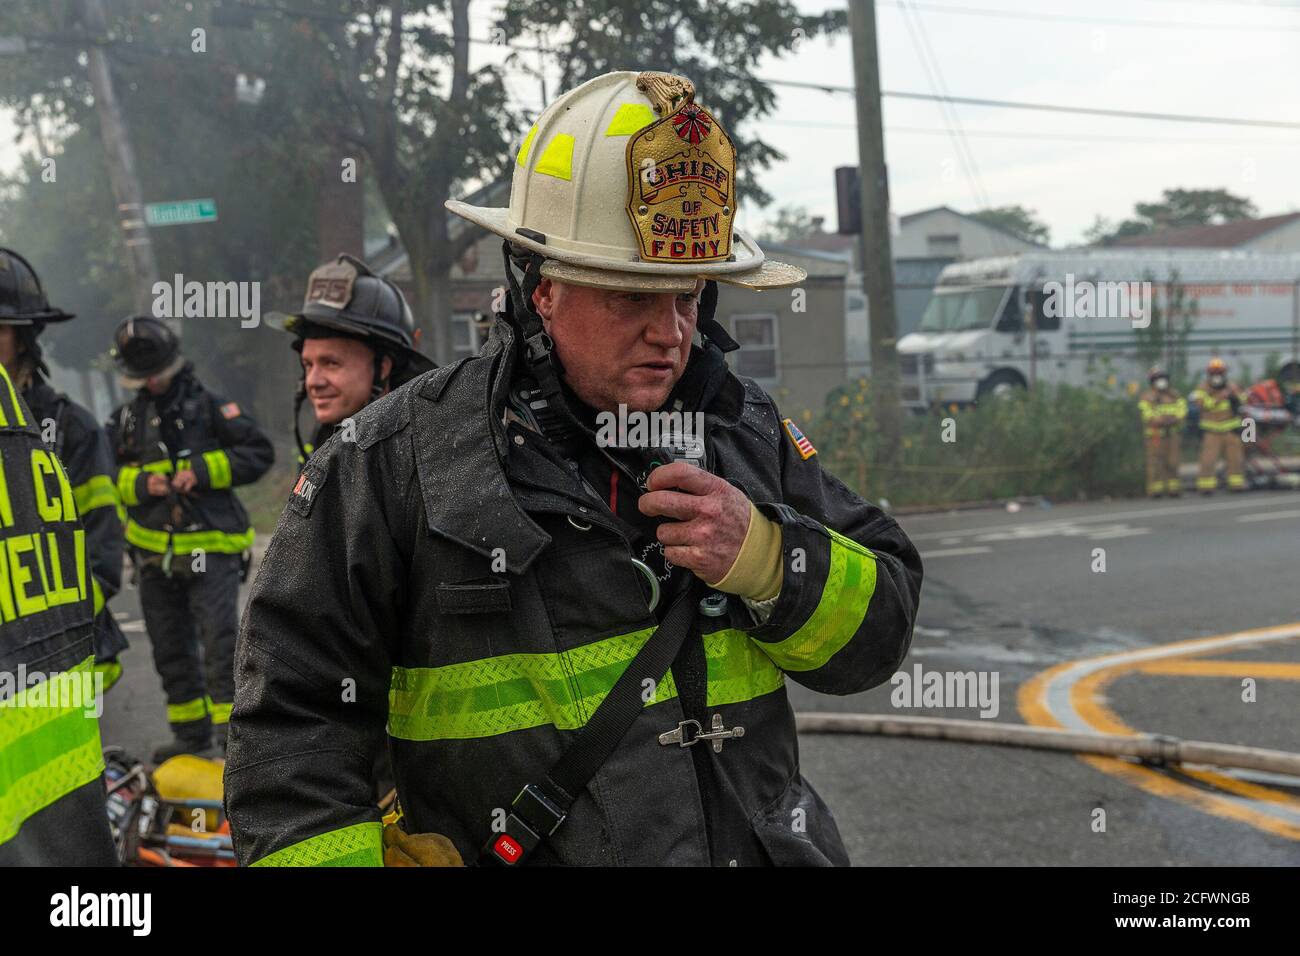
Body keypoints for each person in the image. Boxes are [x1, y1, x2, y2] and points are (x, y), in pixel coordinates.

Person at [226, 70, 922, 867]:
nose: (672, 335)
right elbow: (292, 729)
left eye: (689, 297)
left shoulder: (743, 429)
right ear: (543, 289)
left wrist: (766, 558)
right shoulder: (395, 463)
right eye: (632, 298)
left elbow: (882, 632)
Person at [105, 316, 274, 762]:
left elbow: (258, 453)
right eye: (141, 376)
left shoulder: (210, 407)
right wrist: (143, 484)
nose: (149, 383)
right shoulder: (125, 420)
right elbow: (100, 478)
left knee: (221, 645)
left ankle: (232, 741)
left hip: (211, 549)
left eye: (154, 373)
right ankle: (190, 736)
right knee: (169, 647)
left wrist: (200, 471)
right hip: (153, 557)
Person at [0, 360, 118, 865]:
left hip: (64, 661)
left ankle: (203, 739)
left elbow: (102, 536)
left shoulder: (73, 425)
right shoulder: (19, 416)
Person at [0, 248, 128, 691]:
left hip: (60, 658)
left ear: (24, 336)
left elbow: (103, 550)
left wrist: (48, 624)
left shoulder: (71, 429)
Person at [269, 253, 434, 464]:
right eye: (308, 365)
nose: (313, 381)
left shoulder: (425, 452)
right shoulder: (327, 436)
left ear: (382, 367)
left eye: (331, 363)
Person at [1190, 357, 1247, 494]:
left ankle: (1236, 485)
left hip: (1230, 430)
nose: (1217, 376)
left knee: (1235, 459)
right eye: (1214, 373)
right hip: (1211, 432)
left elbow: (1244, 400)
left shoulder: (1232, 386)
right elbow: (1200, 404)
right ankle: (1206, 487)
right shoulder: (1202, 388)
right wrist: (1218, 398)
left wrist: (1234, 394)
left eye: (1220, 373)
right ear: (1209, 374)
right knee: (1208, 460)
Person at [1136, 365, 1187, 498]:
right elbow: (1146, 414)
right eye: (1158, 379)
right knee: (1155, 463)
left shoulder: (1174, 395)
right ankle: (1155, 491)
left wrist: (1173, 419)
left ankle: (1173, 489)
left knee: (1173, 462)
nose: (1161, 381)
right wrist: (1158, 421)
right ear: (1152, 381)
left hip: (1172, 435)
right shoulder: (1147, 397)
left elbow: (1182, 410)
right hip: (1155, 436)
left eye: (1163, 378)